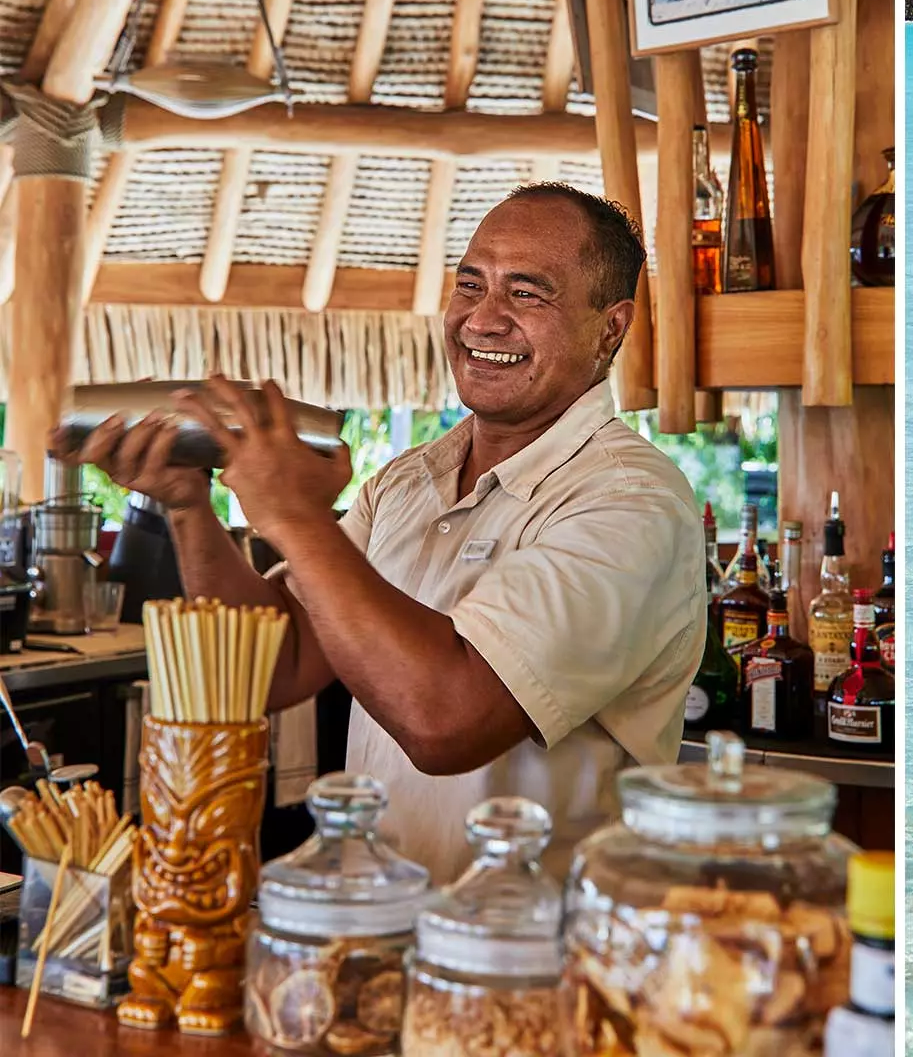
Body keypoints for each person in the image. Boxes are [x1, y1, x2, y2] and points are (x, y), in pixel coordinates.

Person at [61, 183, 705, 881]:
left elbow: (445, 722)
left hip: (532, 955)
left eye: (527, 293)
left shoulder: (631, 503)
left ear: (610, 327)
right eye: (470, 284)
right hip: (380, 925)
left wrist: (295, 516)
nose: (482, 320)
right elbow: (275, 662)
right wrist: (189, 507)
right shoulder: (408, 481)